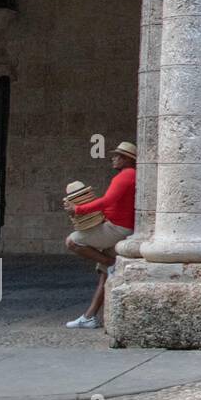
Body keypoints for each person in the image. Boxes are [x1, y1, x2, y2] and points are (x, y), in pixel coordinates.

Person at [64, 140, 137, 328]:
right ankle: (90, 317)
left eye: (118, 156)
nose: (114, 158)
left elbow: (107, 200)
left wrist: (79, 209)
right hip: (120, 228)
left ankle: (112, 263)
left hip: (117, 229)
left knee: (72, 241)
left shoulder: (126, 175)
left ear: (127, 159)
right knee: (105, 275)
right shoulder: (129, 175)